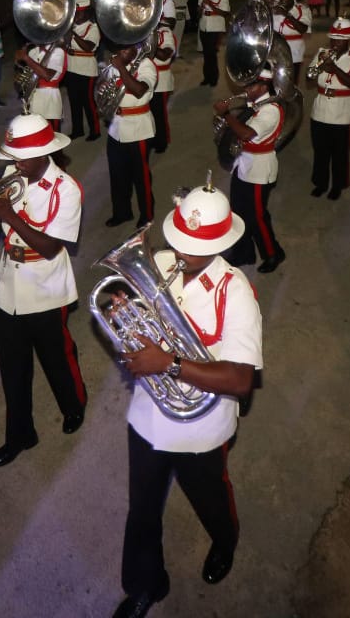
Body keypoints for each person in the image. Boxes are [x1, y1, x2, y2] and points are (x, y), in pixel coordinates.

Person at [112, 180, 263, 618]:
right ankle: (145, 585)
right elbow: (139, 335)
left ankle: (224, 541)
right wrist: (129, 317)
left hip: (203, 427)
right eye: (177, 241)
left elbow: (240, 380)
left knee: (210, 500)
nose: (179, 254)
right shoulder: (158, 262)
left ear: (219, 244)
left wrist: (169, 363)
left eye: (192, 247)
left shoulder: (235, 292)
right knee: (141, 509)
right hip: (148, 419)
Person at [0, 114, 86, 468]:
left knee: (57, 357)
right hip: (8, 286)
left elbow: (51, 247)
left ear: (44, 153)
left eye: (21, 157)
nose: (14, 163)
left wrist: (7, 214)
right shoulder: (13, 176)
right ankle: (20, 434)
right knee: (13, 367)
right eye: (12, 156)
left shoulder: (66, 189)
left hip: (45, 287)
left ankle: (73, 407)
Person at [216, 71, 285, 273]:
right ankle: (244, 253)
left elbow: (247, 133)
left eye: (251, 86)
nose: (246, 90)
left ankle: (273, 254)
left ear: (264, 87)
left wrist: (227, 115)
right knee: (238, 211)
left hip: (259, 170)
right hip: (243, 165)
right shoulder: (256, 106)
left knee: (257, 216)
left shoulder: (271, 110)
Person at [309, 18, 350, 200]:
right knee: (320, 150)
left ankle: (337, 186)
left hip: (342, 113)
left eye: (340, 39)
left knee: (340, 153)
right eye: (333, 38)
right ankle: (321, 183)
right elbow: (309, 78)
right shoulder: (322, 53)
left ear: (349, 40)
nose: (335, 43)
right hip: (320, 109)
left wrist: (334, 69)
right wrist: (317, 68)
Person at [104, 43, 158, 228]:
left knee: (140, 176)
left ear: (136, 48)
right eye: (119, 49)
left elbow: (139, 90)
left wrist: (120, 67)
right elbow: (106, 90)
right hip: (116, 127)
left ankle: (147, 214)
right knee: (117, 174)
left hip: (138, 128)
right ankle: (122, 212)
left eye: (126, 49)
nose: (121, 53)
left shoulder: (146, 65)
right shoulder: (114, 65)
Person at [65, 0, 103, 140]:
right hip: (71, 68)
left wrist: (73, 35)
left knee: (88, 101)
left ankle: (95, 131)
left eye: (79, 13)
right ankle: (77, 129)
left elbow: (89, 47)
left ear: (87, 13)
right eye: (75, 13)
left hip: (86, 70)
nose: (76, 16)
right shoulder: (70, 27)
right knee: (74, 101)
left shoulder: (92, 28)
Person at [18, 36, 67, 130]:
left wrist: (26, 58)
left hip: (50, 99)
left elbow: (47, 75)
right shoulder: (33, 51)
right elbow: (27, 74)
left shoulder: (57, 51)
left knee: (53, 136)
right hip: (32, 99)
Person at [196, 0, 231, 88]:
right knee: (206, 53)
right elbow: (198, 11)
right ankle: (206, 77)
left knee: (211, 53)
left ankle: (214, 78)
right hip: (204, 26)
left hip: (215, 27)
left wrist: (211, 5)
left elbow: (226, 13)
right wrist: (199, 10)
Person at [151, 0, 177, 152]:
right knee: (151, 113)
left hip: (161, 80)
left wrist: (150, 43)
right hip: (147, 77)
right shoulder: (148, 34)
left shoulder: (165, 33)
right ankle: (153, 138)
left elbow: (165, 55)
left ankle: (162, 142)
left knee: (159, 113)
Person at [271, 0, 311, 67]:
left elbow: (303, 29)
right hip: (274, 49)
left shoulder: (303, 10)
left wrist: (287, 14)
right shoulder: (273, 7)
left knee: (291, 79)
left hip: (294, 51)